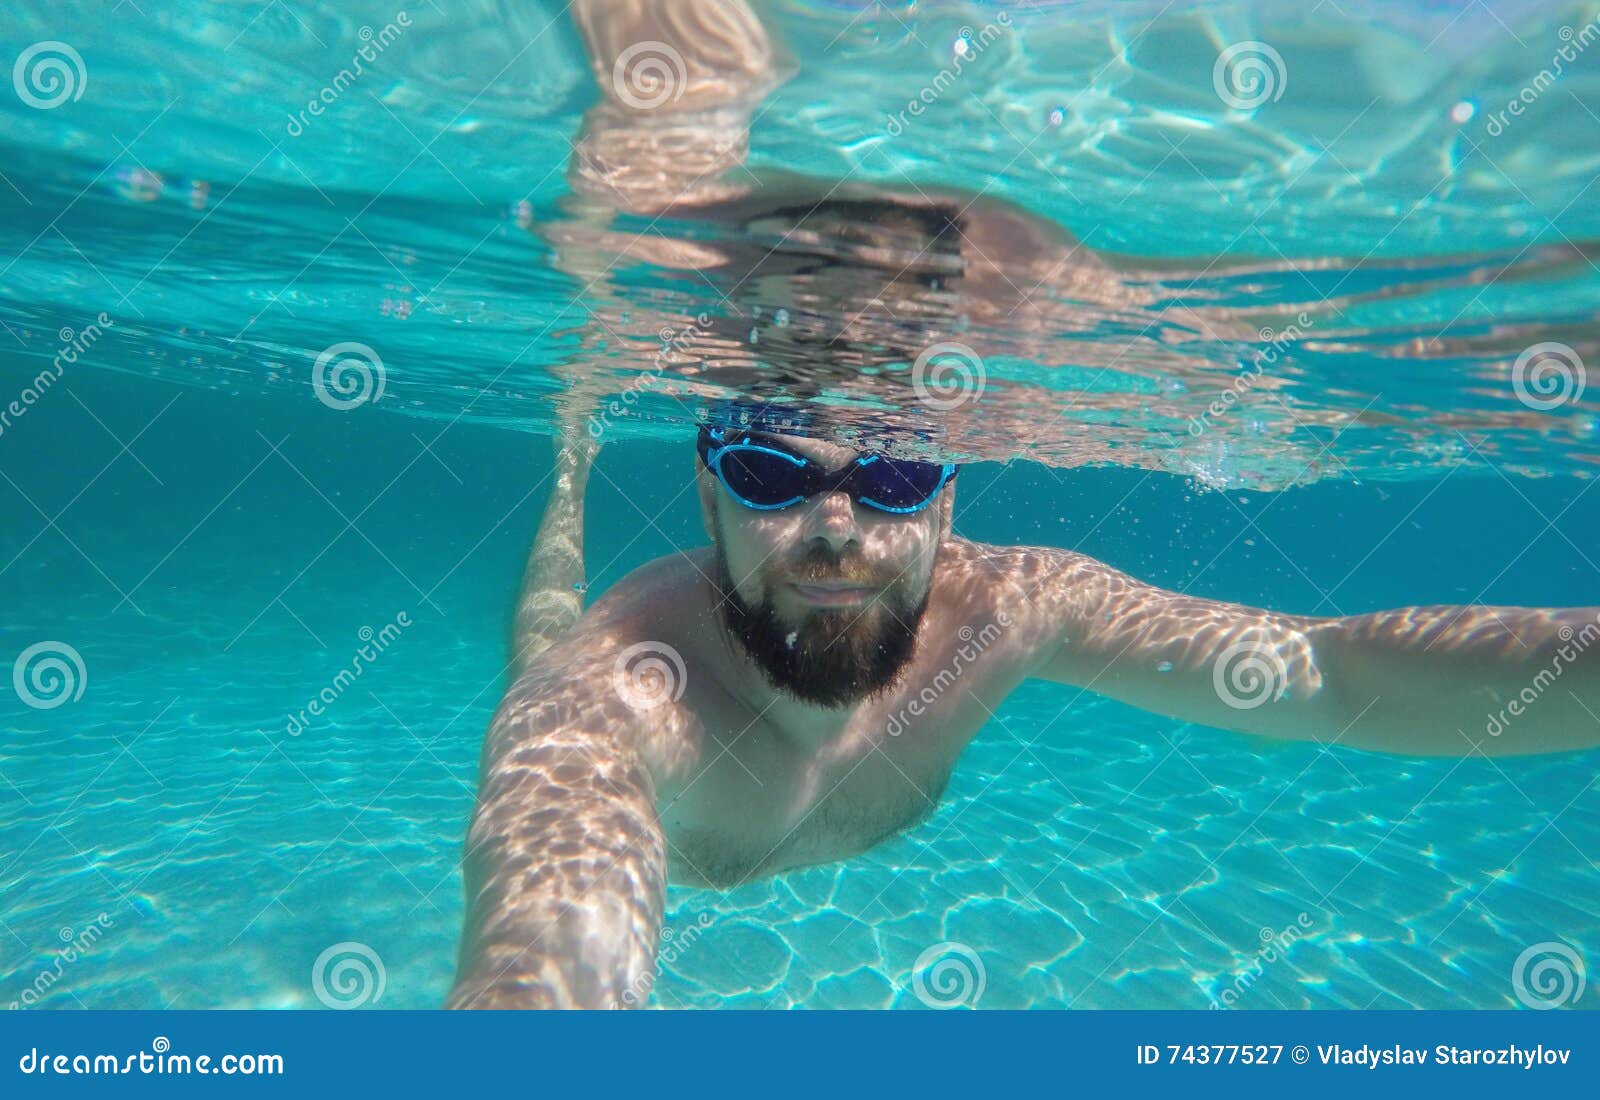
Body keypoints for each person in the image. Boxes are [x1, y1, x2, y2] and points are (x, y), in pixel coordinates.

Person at [446, 2, 1600, 1009]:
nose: (838, 527)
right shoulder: (605, 705)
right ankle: (568, 472)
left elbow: (1328, 671)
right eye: (771, 474)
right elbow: (538, 968)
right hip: (589, 668)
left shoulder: (1011, 605)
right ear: (709, 492)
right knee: (545, 642)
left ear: (950, 499)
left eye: (894, 478)